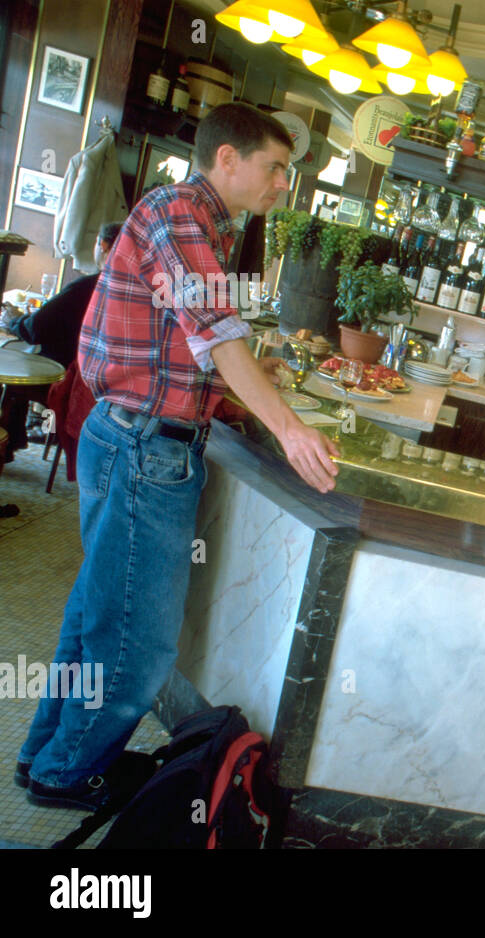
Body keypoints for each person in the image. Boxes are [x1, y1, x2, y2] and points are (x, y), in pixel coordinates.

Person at [17, 102, 339, 811]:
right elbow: (219, 334)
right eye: (275, 167)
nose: (283, 184)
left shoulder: (201, 221)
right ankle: (68, 774)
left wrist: (246, 382)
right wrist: (288, 429)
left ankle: (47, 756)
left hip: (128, 434)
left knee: (97, 614)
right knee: (137, 640)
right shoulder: (183, 215)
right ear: (227, 158)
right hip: (144, 447)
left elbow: (191, 343)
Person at [9, 223, 122, 368]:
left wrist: (13, 320)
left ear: (103, 245)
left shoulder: (85, 287)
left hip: (58, 370)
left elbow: (34, 329)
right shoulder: (135, 293)